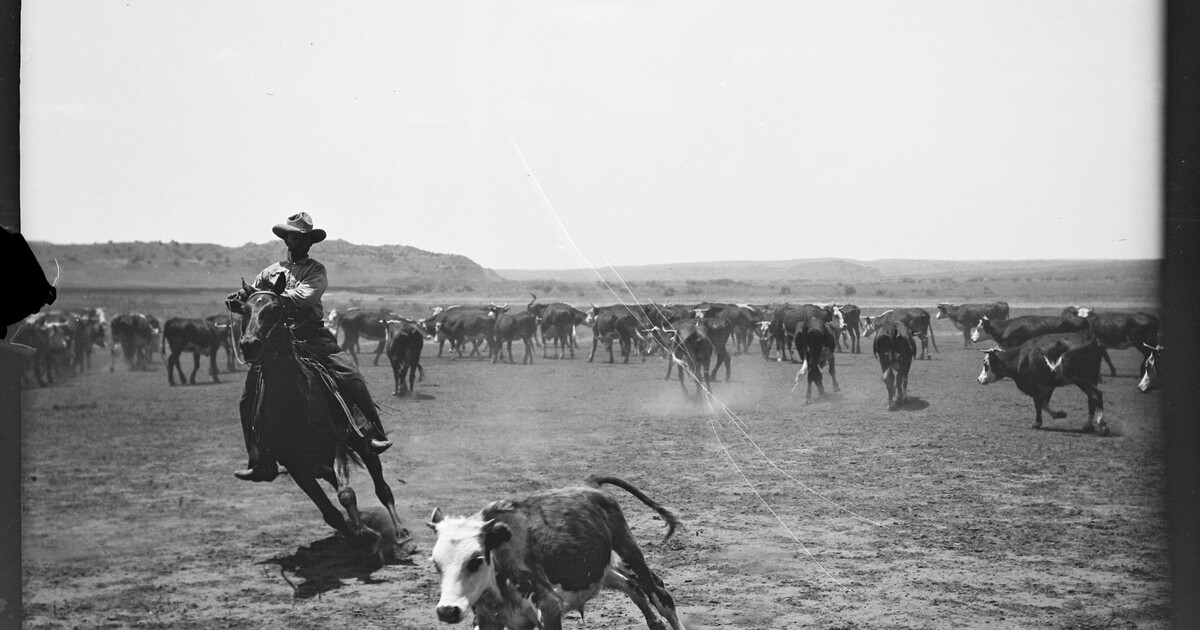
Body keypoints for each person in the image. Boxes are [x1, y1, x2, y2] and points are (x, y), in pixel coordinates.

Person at [226, 212, 392, 482]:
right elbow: (254, 298)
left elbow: (305, 297)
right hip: (277, 343)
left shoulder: (316, 271)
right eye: (293, 236)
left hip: (313, 338)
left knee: (351, 376)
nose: (297, 242)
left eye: (303, 238)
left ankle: (371, 434)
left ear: (310, 243)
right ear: (286, 239)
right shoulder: (269, 272)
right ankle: (259, 460)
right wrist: (242, 300)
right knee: (247, 399)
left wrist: (270, 297)